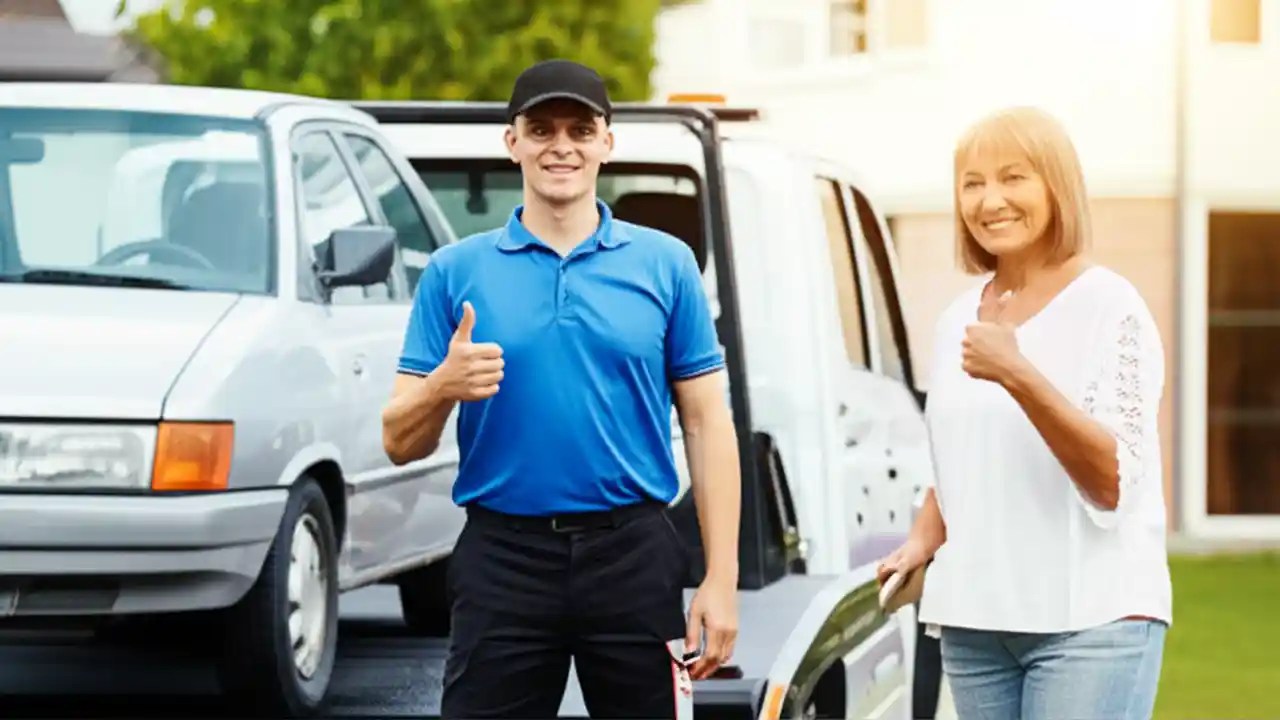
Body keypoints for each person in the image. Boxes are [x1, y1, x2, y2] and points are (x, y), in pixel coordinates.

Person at [381, 58, 741, 720]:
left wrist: (721, 579)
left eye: (581, 129)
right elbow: (399, 440)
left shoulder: (667, 265)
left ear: (607, 142)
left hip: (634, 555)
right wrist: (442, 387)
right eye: (541, 128)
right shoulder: (454, 272)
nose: (562, 146)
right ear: (511, 141)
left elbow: (707, 424)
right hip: (502, 559)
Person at [877, 106, 1172, 720]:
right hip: (975, 622)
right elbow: (963, 457)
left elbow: (1113, 483)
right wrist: (921, 540)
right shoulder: (957, 317)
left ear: (1055, 187)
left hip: (1091, 621)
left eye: (1013, 178)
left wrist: (1017, 371)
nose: (991, 201)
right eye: (972, 183)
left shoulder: (1110, 306)